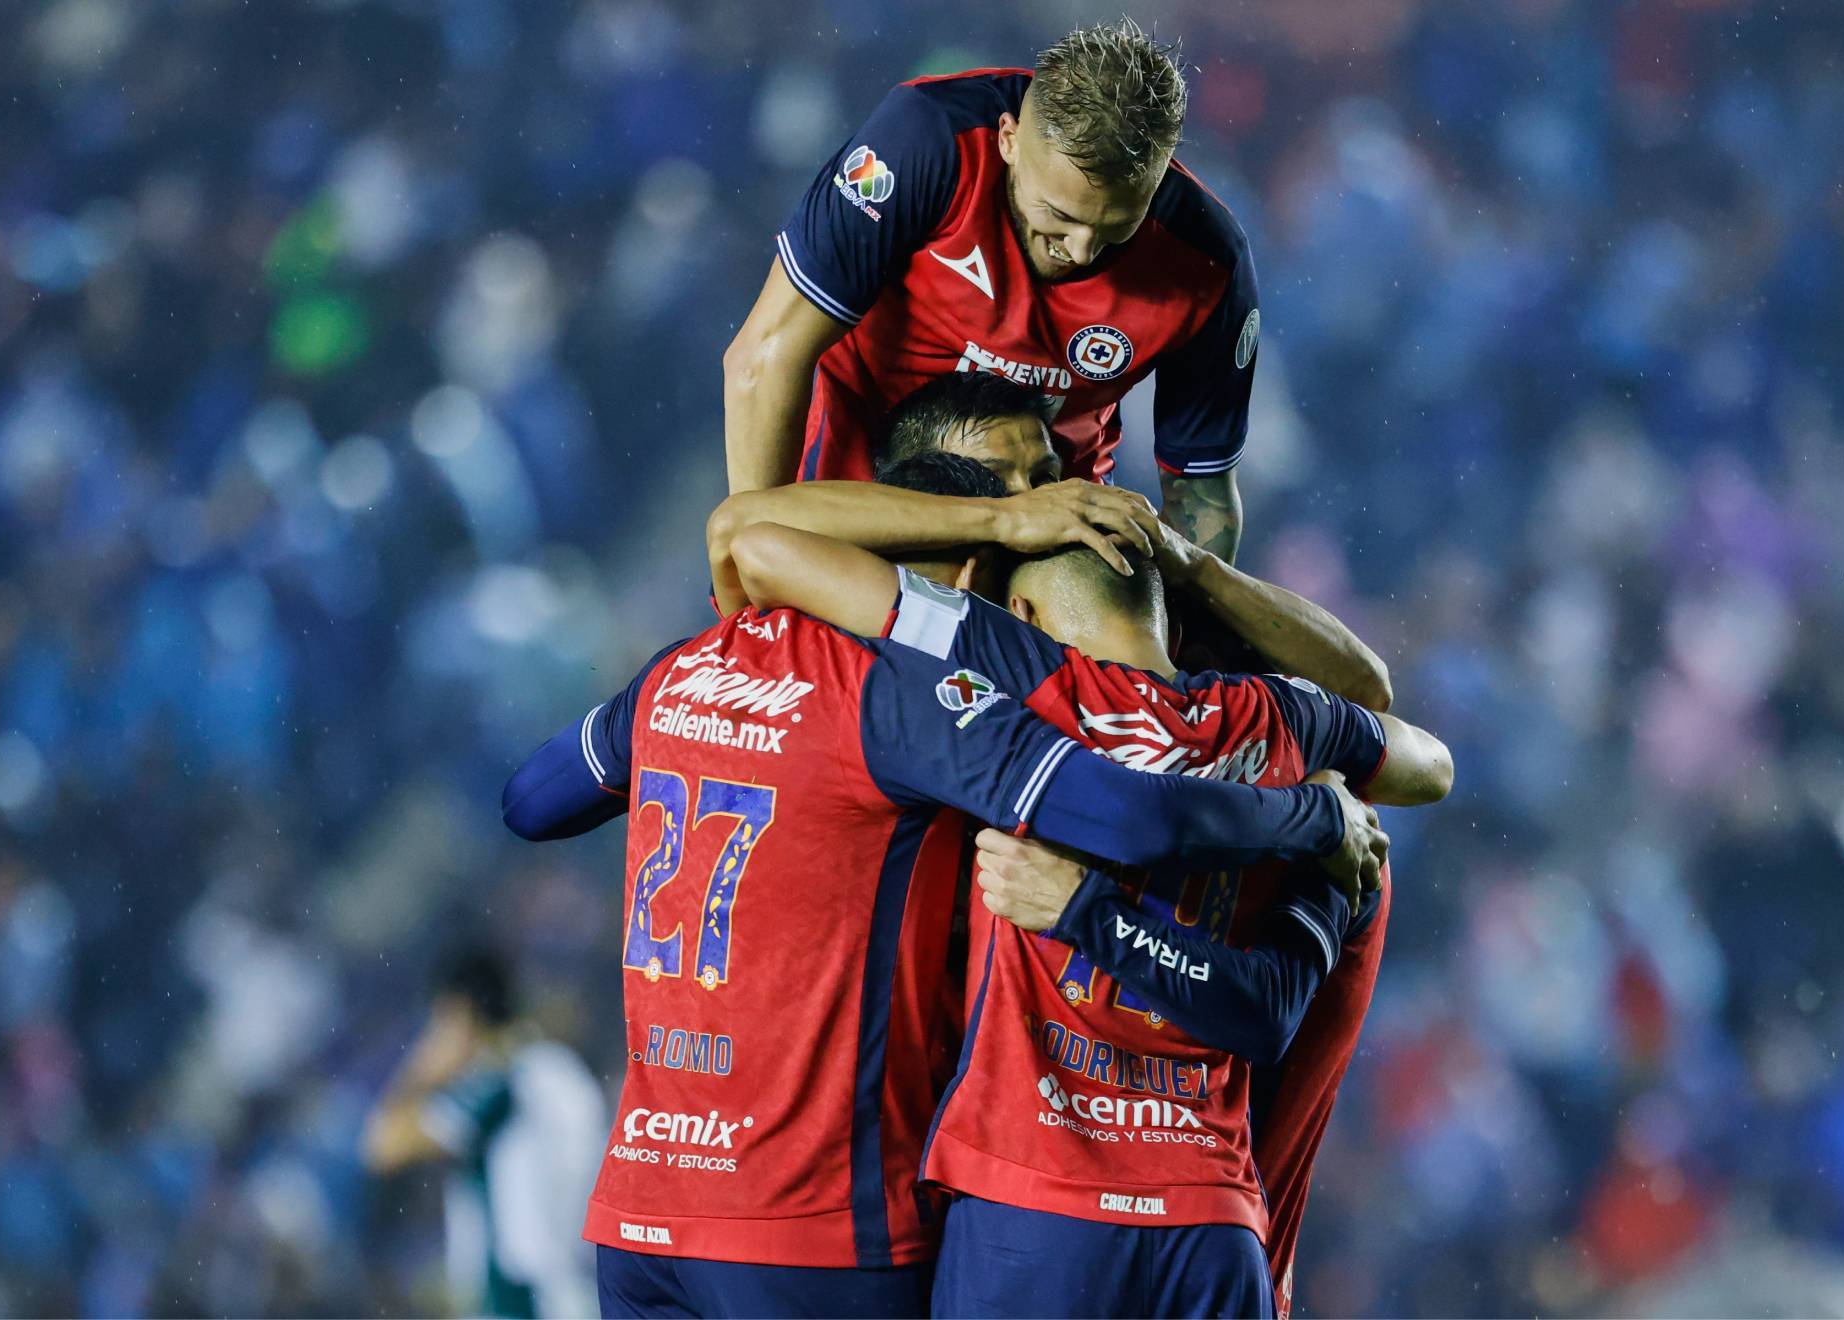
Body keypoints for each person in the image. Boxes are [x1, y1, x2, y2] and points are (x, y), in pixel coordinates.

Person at [500, 455, 1388, 1319]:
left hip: (643, 1212)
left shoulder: (674, 674)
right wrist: (1313, 817)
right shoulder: (910, 700)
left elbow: (532, 803)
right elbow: (1134, 817)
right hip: (807, 1222)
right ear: (965, 579)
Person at [722, 527, 1450, 1318]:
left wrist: (1012, 521)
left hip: (1034, 1207)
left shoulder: (1020, 675)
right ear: (1167, 618)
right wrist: (1199, 572)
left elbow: (761, 547)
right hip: (1209, 1217)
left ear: (1025, 608)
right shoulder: (1291, 725)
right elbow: (1430, 764)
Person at [725, 20, 1264, 560]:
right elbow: (767, 355)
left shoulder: (1209, 262)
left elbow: (1203, 495)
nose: (1079, 251)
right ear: (1008, 140)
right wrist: (755, 563)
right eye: (1058, 216)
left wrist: (1186, 637)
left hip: (1052, 514)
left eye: (1115, 226)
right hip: (861, 479)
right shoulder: (926, 142)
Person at [709, 371, 1392, 710]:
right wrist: (1002, 520)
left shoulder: (1098, 599)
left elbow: (1365, 688)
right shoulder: (858, 602)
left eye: (1044, 476)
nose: (1037, 500)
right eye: (990, 479)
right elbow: (738, 528)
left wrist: (1191, 566)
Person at [362, 948, 608, 1319]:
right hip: (573, 1288)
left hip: (520, 1299)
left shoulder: (501, 1081)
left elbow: (382, 1147)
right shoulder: (557, 1069)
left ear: (459, 1013)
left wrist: (423, 1068)